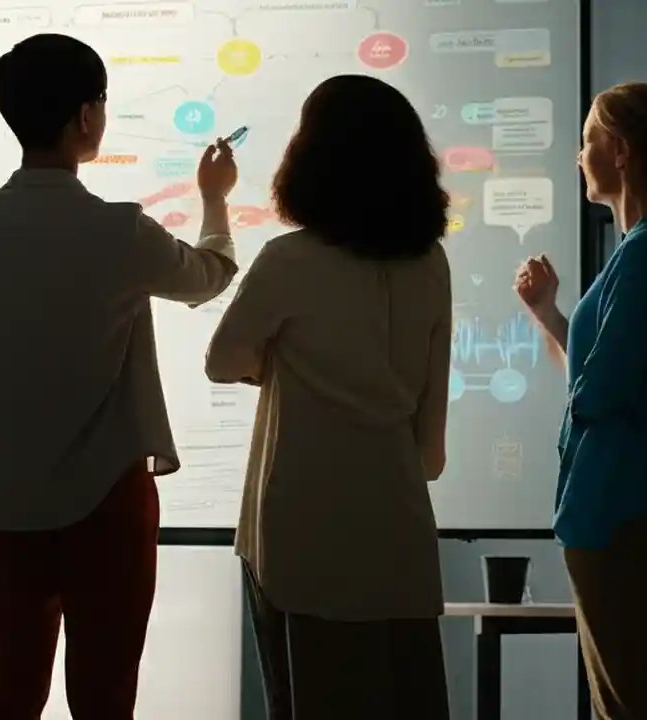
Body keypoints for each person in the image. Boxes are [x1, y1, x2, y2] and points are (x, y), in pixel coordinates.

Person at [0, 33, 239, 719]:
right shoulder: (119, 231)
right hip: (106, 500)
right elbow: (208, 278)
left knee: (11, 683)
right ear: (84, 117)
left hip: (2, 496)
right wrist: (215, 201)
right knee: (104, 693)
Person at [205, 74, 453, 719]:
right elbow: (431, 441)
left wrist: (280, 367)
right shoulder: (430, 263)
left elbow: (220, 360)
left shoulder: (290, 260)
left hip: (299, 534)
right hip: (398, 531)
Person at [514, 81, 647, 720]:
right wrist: (549, 316)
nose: (578, 155)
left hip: (622, 514)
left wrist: (578, 371)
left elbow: (598, 391)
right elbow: (603, 378)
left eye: (587, 140)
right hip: (618, 512)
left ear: (619, 152)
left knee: (629, 706)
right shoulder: (638, 253)